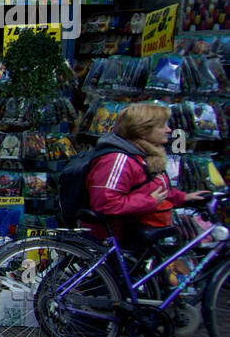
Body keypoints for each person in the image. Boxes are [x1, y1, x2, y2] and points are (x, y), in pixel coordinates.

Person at [84, 102, 209, 246]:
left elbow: (150, 188)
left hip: (141, 236)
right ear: (142, 131)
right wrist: (150, 202)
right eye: (162, 126)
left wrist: (182, 197)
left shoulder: (143, 156)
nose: (169, 130)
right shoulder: (118, 160)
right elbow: (105, 204)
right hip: (118, 241)